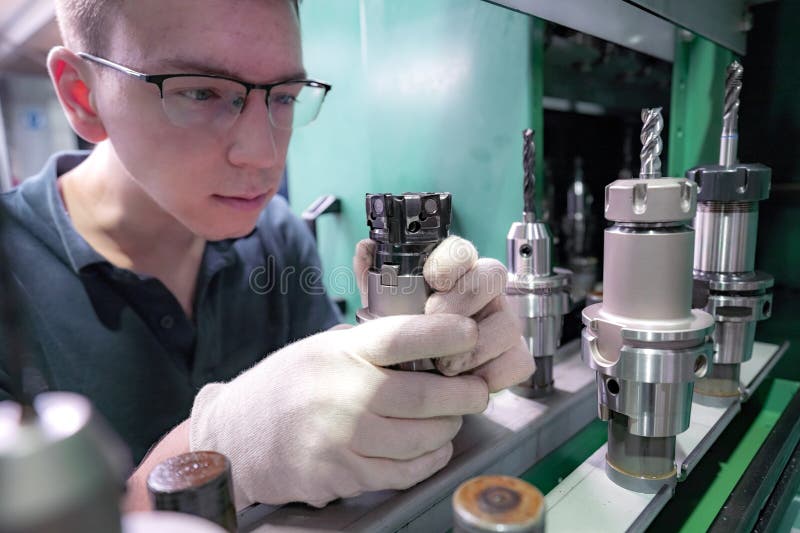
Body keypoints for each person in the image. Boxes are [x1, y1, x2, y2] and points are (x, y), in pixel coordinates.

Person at [0, 0, 534, 511]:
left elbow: (347, 449)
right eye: (201, 93)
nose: (262, 153)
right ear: (82, 95)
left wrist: (432, 362)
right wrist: (214, 451)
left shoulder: (278, 238)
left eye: (284, 96)